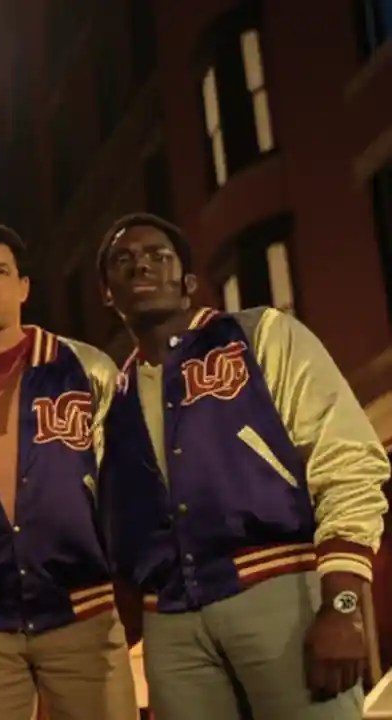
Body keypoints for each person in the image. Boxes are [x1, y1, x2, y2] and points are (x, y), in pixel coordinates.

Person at [97, 212, 389, 720]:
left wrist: (344, 607)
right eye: (123, 260)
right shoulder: (113, 401)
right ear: (108, 294)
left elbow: (347, 460)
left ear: (188, 282)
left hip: (279, 590)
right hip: (171, 620)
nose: (140, 266)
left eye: (157, 256)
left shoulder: (261, 335)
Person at [0, 221, 137, 719]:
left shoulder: (84, 368)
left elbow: (127, 483)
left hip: (83, 606)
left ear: (24, 286)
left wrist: (130, 581)